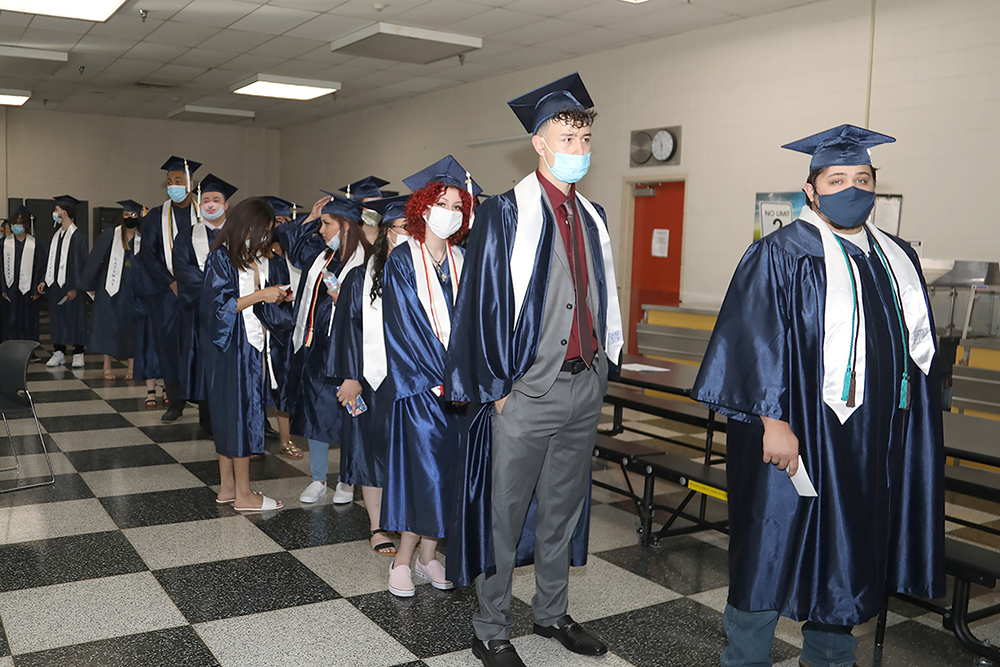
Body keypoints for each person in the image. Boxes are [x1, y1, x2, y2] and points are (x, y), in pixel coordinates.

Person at [690, 124, 943, 667]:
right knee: (768, 548)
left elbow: (910, 356)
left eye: (862, 178)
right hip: (794, 432)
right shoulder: (780, 254)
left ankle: (830, 658)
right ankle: (745, 658)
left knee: (847, 550)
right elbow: (751, 343)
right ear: (810, 190)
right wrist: (771, 422)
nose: (850, 189)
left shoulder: (895, 259)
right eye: (836, 179)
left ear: (877, 187)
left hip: (865, 440)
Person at [445, 73, 623, 667]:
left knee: (563, 508)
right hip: (525, 391)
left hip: (583, 383)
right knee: (505, 513)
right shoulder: (505, 213)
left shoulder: (592, 213)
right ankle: (490, 627)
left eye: (584, 136)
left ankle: (551, 613)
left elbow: (599, 295)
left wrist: (604, 366)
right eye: (565, 137)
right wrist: (495, 387)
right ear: (539, 143)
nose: (578, 147)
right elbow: (482, 300)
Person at [380, 156, 478, 598]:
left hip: (462, 393)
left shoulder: (464, 259)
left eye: (458, 206)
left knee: (452, 475)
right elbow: (404, 327)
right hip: (423, 390)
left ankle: (428, 556)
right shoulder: (402, 260)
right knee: (424, 475)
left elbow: (476, 324)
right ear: (422, 207)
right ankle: (403, 559)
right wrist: (443, 378)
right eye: (443, 203)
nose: (450, 213)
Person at [276, 193, 371, 504]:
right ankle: (317, 478)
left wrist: (343, 300)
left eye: (327, 224)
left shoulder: (368, 261)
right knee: (316, 414)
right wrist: (311, 216)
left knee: (348, 418)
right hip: (315, 349)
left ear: (345, 225)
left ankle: (347, 481)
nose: (321, 231)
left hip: (349, 352)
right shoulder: (321, 257)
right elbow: (293, 243)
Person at [200, 196, 293, 512]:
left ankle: (227, 488)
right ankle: (244, 494)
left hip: (250, 346)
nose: (265, 238)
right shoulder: (222, 258)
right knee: (237, 417)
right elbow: (218, 308)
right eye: (261, 230)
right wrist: (260, 295)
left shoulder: (255, 258)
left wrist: (276, 297)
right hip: (231, 349)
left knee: (230, 416)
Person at [329, 194, 410, 557]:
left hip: (411, 381)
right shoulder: (360, 278)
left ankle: (409, 519)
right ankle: (377, 525)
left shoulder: (422, 276)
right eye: (403, 228)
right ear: (386, 233)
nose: (409, 235)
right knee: (369, 449)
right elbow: (346, 330)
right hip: (369, 379)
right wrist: (349, 376)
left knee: (408, 452)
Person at [135, 156, 202, 421]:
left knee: (200, 347)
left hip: (200, 293)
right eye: (169, 182)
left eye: (179, 181)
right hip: (167, 294)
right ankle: (175, 401)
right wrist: (170, 281)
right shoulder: (155, 216)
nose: (173, 186)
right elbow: (148, 256)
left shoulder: (204, 213)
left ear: (191, 183)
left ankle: (204, 401)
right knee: (170, 348)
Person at [174, 174, 237, 435]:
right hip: (200, 313)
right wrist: (216, 297)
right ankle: (208, 419)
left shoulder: (239, 234)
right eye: (206, 200)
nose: (210, 204)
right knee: (204, 365)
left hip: (235, 314)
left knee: (235, 367)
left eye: (216, 200)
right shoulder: (187, 236)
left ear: (226, 205)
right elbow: (184, 272)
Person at [81, 200, 144, 381]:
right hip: (109, 287)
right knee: (106, 325)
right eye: (126, 215)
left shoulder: (144, 237)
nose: (130, 218)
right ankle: (106, 366)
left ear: (139, 217)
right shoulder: (110, 234)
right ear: (122, 216)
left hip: (133, 290)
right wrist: (89, 285)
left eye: (133, 215)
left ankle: (132, 367)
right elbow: (95, 260)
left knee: (132, 327)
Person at [261, 195, 304, 461]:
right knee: (276, 383)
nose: (282, 226)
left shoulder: (304, 251)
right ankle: (281, 439)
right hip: (276, 327)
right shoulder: (264, 255)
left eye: (286, 220)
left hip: (303, 324)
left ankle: (294, 435)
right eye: (276, 221)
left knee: (294, 382)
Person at [40, 195, 89, 368]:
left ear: (65, 212)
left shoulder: (78, 237)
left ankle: (78, 352)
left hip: (72, 287)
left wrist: (75, 287)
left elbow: (81, 265)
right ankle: (59, 351)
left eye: (56, 210)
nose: (54, 213)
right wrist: (44, 281)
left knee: (76, 319)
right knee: (58, 319)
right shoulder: (56, 236)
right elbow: (50, 261)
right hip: (56, 286)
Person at [2, 206, 46, 347]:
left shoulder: (36, 244)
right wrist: (2, 287)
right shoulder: (4, 244)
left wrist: (36, 290)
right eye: (14, 225)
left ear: (26, 226)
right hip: (10, 289)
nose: (17, 227)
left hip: (29, 290)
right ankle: (10, 348)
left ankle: (29, 349)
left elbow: (41, 267)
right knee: (10, 319)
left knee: (28, 320)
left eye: (20, 225)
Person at [341, 176, 390, 246]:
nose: (374, 209)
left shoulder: (388, 237)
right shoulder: (347, 238)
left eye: (378, 204)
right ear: (359, 207)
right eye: (369, 206)